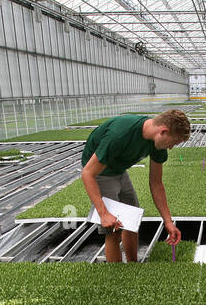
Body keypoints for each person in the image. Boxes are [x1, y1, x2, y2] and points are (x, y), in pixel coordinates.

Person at [80, 109, 190, 263]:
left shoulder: (157, 144)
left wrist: (168, 222)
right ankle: (117, 277)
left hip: (119, 169)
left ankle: (133, 266)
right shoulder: (119, 135)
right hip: (100, 172)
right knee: (113, 228)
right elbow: (87, 173)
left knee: (132, 220)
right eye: (172, 142)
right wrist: (103, 213)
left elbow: (156, 183)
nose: (170, 147)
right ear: (163, 131)